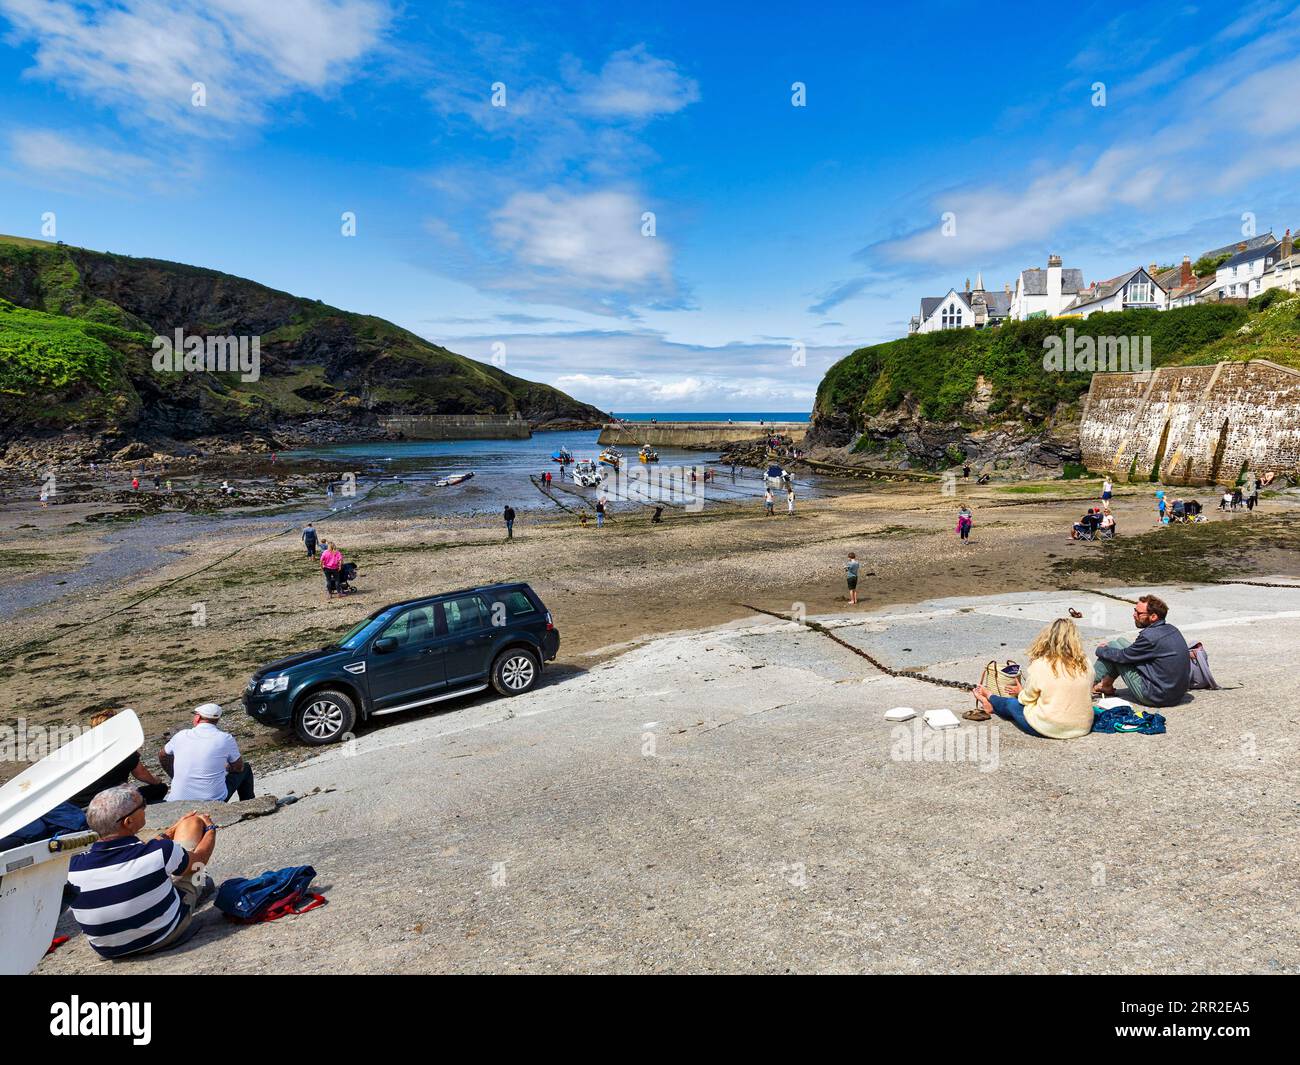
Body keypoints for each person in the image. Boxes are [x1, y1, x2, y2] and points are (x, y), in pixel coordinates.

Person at [67, 787, 217, 959]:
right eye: (143, 805)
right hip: (162, 935)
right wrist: (210, 829)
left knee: (159, 866)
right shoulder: (159, 852)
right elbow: (200, 859)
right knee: (195, 871)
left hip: (108, 949)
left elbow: (138, 852)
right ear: (128, 822)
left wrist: (170, 831)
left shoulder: (73, 866)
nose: (145, 808)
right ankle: (200, 886)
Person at [971, 618, 1095, 739]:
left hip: (1049, 727)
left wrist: (1021, 693)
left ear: (1047, 638)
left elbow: (1026, 699)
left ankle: (990, 697)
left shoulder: (1041, 664)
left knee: (1011, 703)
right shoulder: (1086, 663)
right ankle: (993, 705)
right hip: (1082, 727)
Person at [1093, 594, 1191, 708]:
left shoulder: (1149, 637)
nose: (1134, 615)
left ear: (1153, 617)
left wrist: (1100, 650)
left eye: (1138, 613)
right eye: (1135, 611)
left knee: (1113, 647)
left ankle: (1085, 684)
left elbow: (1123, 657)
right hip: (1175, 694)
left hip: (1156, 696)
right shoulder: (1172, 629)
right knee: (1120, 641)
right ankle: (1106, 685)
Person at [68, 710, 168, 808]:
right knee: (160, 788)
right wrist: (156, 781)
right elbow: (141, 773)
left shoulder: (84, 748)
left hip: (76, 802)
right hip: (102, 802)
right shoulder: (123, 749)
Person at [160, 702, 254, 801]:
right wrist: (226, 768)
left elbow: (162, 755)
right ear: (217, 720)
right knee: (246, 768)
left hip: (177, 800)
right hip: (213, 800)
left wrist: (174, 775)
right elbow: (239, 767)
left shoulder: (181, 735)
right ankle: (249, 805)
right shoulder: (225, 738)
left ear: (198, 718)